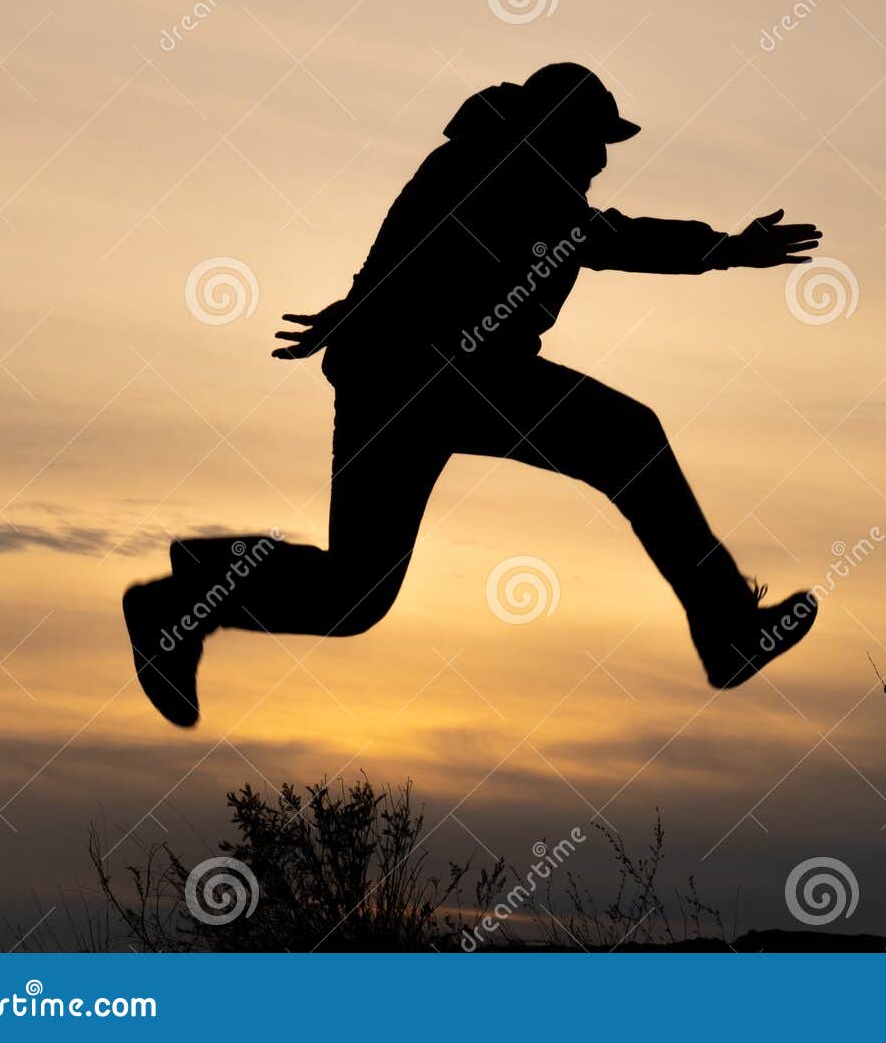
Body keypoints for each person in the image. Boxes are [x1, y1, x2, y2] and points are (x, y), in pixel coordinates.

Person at [124, 62, 823, 728]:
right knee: (627, 437)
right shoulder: (513, 170)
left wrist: (354, 308)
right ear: (555, 129)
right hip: (447, 375)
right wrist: (726, 247)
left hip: (407, 381)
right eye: (594, 143)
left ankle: (188, 597)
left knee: (356, 593)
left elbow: (403, 248)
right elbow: (604, 238)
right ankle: (729, 631)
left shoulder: (476, 165)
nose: (602, 162)